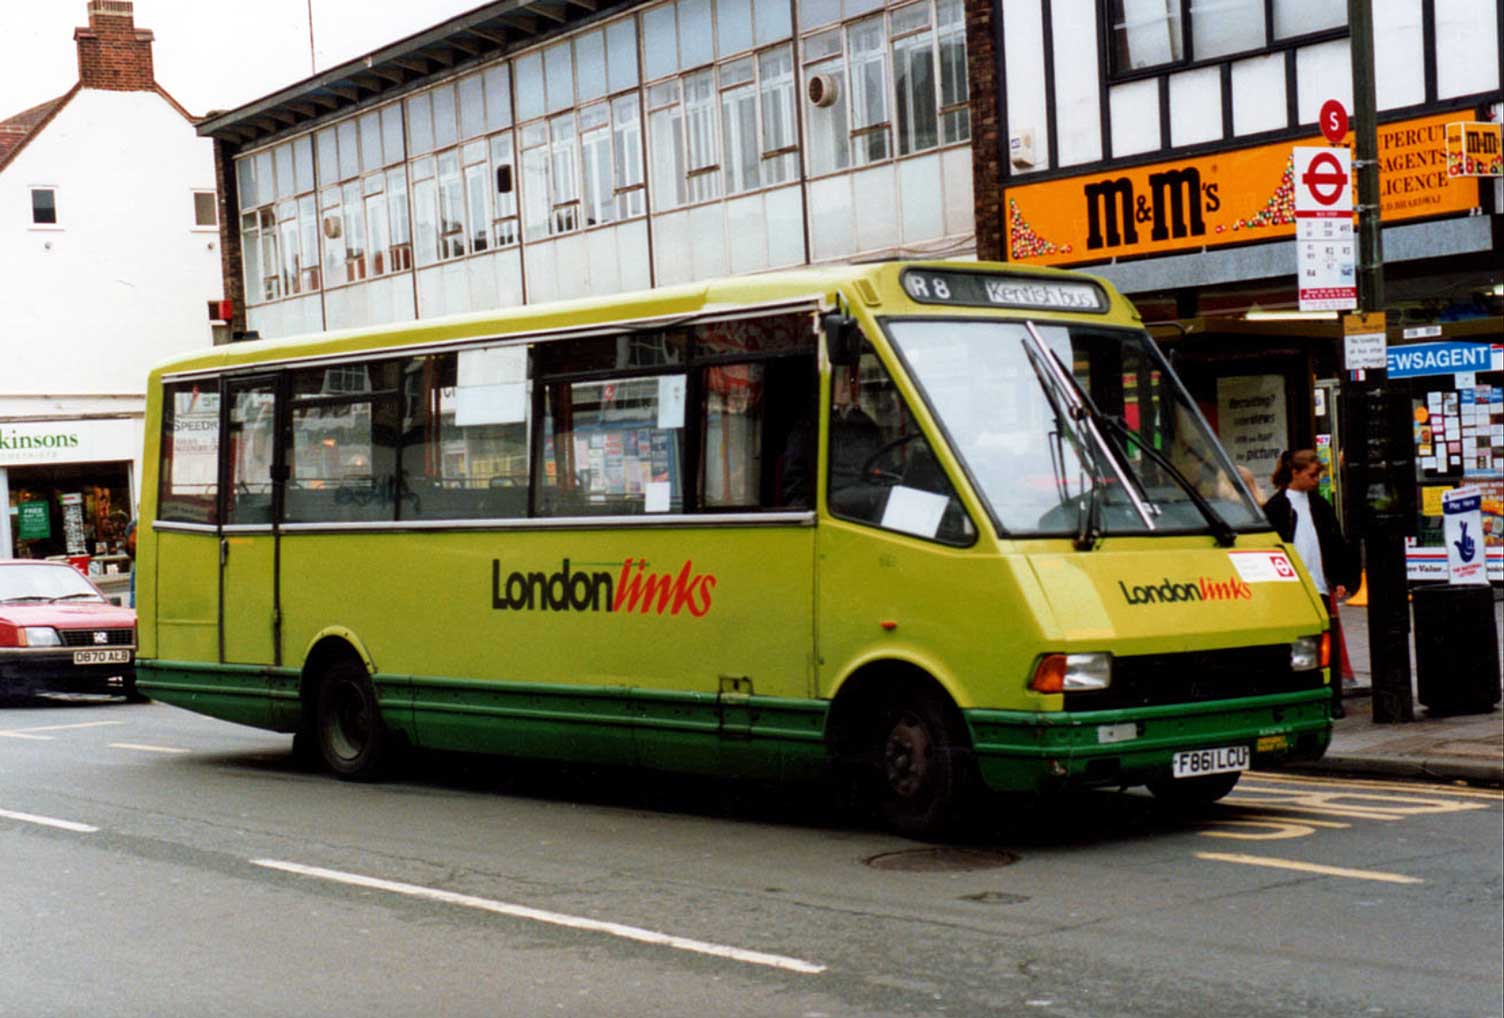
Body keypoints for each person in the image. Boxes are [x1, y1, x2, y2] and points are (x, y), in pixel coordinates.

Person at [1263, 450, 1358, 719]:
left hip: (1318, 583)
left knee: (1327, 644)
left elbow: (1335, 543)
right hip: (1291, 588)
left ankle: (1331, 696)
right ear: (1295, 473)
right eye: (1312, 475)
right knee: (1299, 645)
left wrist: (1340, 579)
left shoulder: (1319, 505)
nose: (1317, 480)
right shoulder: (1276, 507)